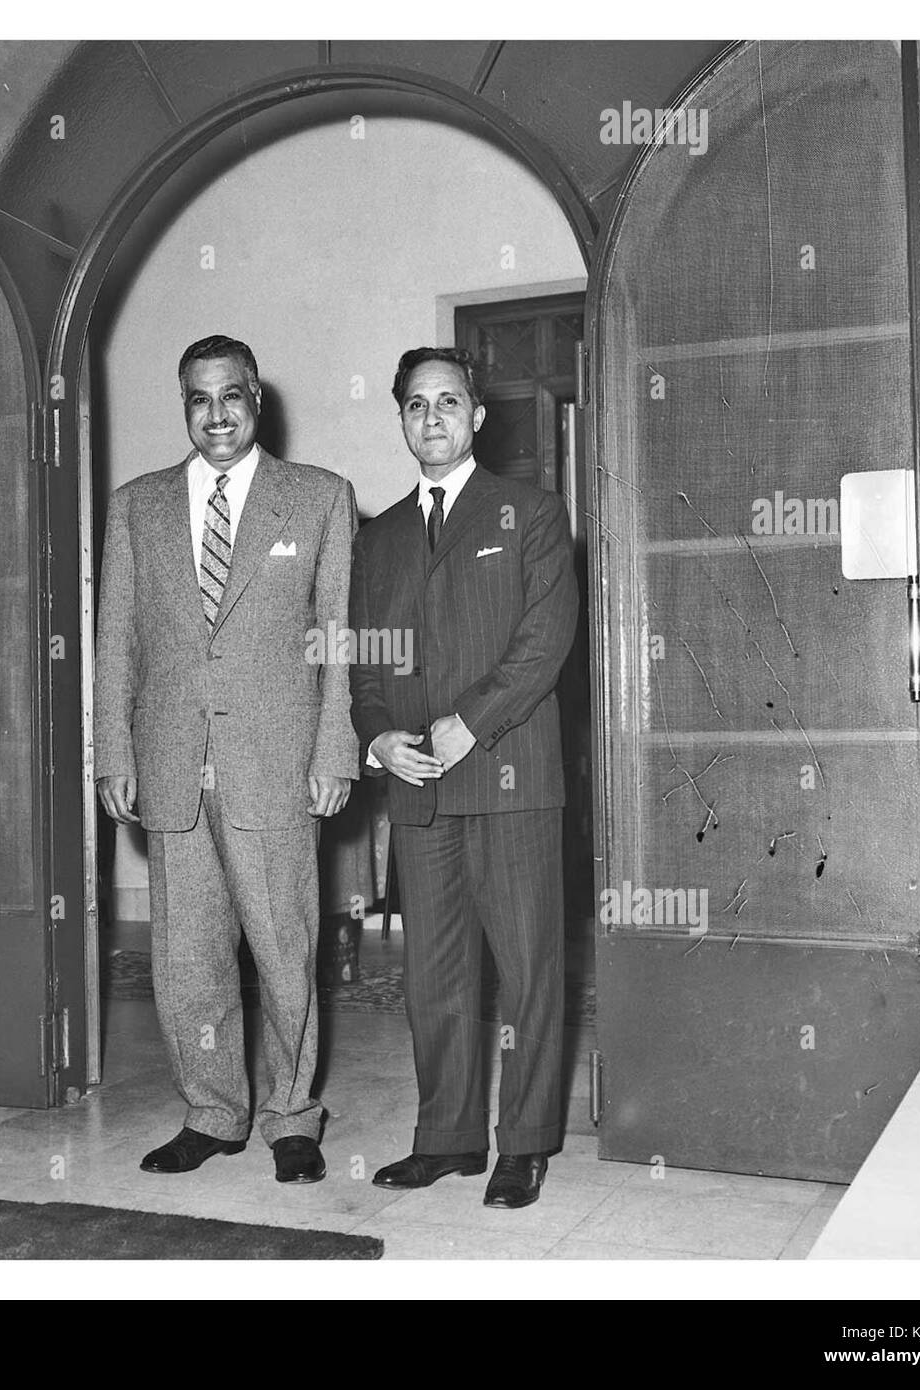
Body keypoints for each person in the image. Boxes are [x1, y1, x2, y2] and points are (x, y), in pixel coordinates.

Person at [94, 335, 357, 1184]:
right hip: (171, 764)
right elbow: (116, 647)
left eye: (231, 396)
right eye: (198, 400)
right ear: (185, 407)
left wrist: (336, 747)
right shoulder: (136, 506)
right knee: (188, 958)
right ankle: (211, 1112)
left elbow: (339, 640)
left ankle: (291, 1117)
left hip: (276, 762)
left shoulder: (317, 499)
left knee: (285, 951)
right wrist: (114, 752)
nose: (216, 415)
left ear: (257, 399)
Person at [349, 346, 578, 1209]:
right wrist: (377, 741)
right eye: (416, 404)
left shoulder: (533, 513)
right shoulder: (381, 538)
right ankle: (446, 1139)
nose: (433, 418)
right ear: (402, 420)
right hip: (418, 788)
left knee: (525, 970)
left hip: (510, 776)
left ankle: (522, 1142)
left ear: (478, 417)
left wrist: (465, 723)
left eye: (449, 402)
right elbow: (364, 666)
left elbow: (542, 647)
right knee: (432, 975)